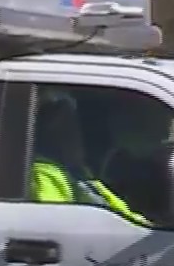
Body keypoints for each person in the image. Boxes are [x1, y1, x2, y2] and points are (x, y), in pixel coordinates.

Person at [29, 93, 150, 227]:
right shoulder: (44, 173)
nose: (78, 137)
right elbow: (55, 226)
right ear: (51, 135)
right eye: (68, 128)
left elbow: (124, 215)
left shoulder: (78, 173)